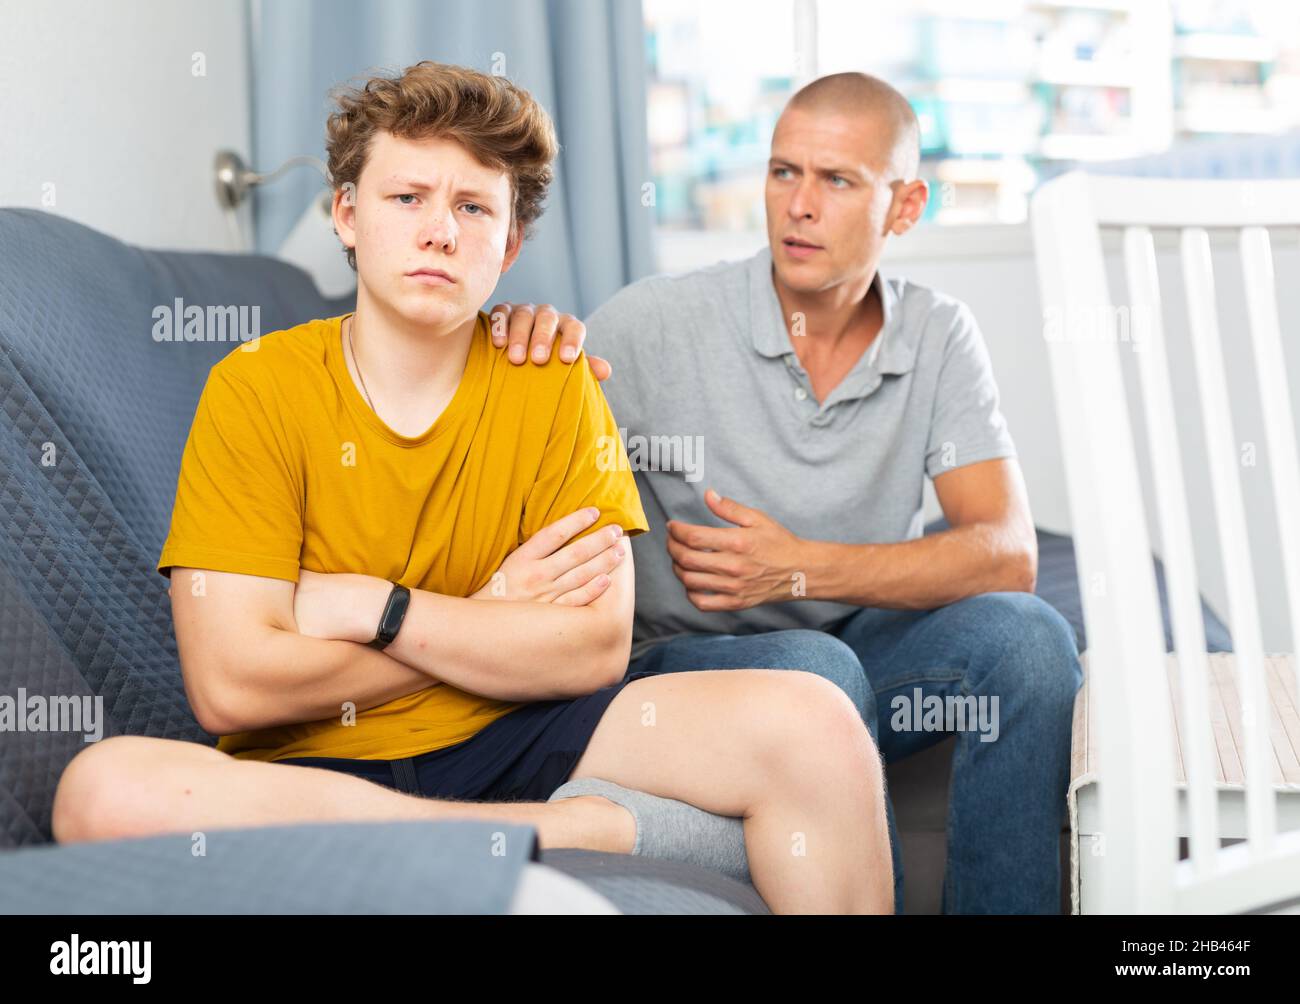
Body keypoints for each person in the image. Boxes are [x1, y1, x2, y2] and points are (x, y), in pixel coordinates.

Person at [49, 61, 893, 915]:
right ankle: (565, 830)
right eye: (406, 198)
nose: (439, 233)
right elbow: (231, 685)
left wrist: (384, 610)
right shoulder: (255, 389)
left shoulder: (555, 380)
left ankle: (453, 824)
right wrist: (490, 612)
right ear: (347, 214)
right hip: (304, 761)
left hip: (522, 733)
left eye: (473, 208)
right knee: (104, 788)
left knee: (816, 721)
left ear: (509, 243)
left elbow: (592, 648)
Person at [491, 72, 1083, 914]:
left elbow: (1006, 553)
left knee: (1026, 639)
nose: (798, 206)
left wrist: (800, 569)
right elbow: (520, 451)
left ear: (905, 206)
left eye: (836, 180)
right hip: (676, 667)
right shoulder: (657, 324)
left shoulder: (939, 333)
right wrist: (507, 340)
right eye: (782, 172)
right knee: (817, 671)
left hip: (853, 644)